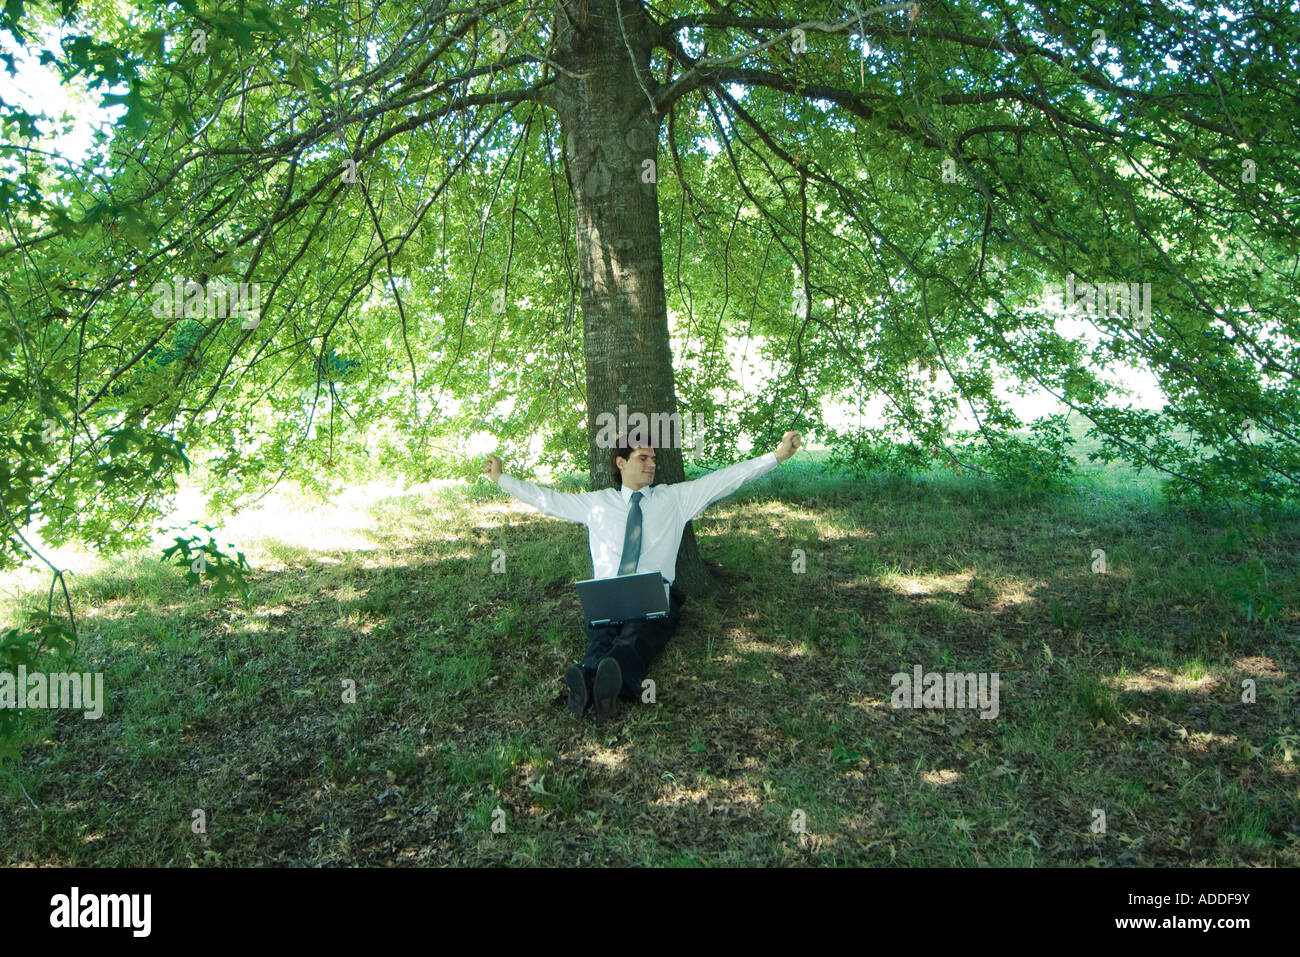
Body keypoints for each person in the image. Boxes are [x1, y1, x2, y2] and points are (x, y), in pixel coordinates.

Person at [483, 429, 802, 723]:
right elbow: (546, 500)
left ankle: (604, 675)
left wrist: (776, 457)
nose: (652, 465)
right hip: (607, 594)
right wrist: (501, 479)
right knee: (601, 634)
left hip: (655, 593)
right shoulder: (596, 504)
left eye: (653, 459)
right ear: (621, 462)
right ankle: (591, 677)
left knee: (635, 634)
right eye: (643, 458)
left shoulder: (675, 499)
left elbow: (726, 479)